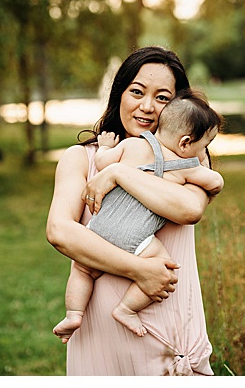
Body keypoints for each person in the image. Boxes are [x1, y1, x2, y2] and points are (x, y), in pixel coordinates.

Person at [45, 46, 216, 375]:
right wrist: (140, 269)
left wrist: (119, 173)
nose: (147, 106)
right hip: (99, 335)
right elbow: (60, 232)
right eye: (137, 92)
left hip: (169, 334)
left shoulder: (189, 159)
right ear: (119, 93)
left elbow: (190, 208)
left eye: (162, 97)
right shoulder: (81, 158)